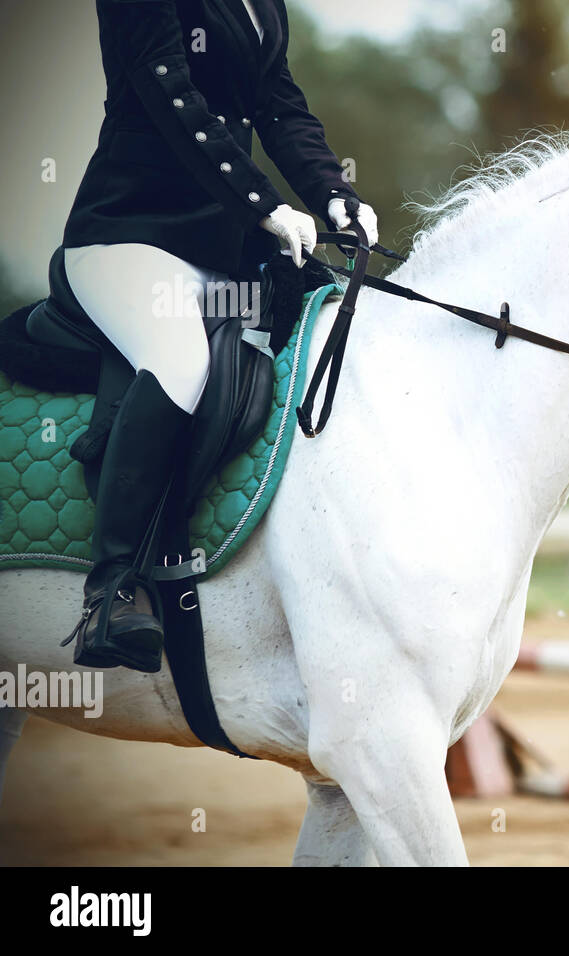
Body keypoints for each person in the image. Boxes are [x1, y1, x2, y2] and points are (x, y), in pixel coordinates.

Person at [60, 0, 379, 672]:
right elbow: (169, 92)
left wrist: (331, 195)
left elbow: (280, 107)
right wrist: (266, 205)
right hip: (128, 237)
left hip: (224, 251)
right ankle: (112, 589)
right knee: (180, 360)